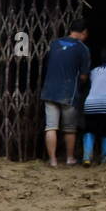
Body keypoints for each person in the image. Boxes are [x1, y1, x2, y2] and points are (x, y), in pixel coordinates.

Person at [40, 18, 90, 166]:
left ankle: (53, 160)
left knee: (50, 127)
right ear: (84, 32)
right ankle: (69, 158)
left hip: (49, 91)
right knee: (69, 129)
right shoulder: (82, 49)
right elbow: (83, 76)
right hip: (68, 92)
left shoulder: (54, 44)